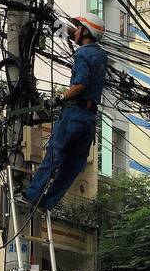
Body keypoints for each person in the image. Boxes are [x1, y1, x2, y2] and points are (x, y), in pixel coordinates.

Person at [21, 15, 106, 214]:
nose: (75, 31)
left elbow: (81, 83)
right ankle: (46, 204)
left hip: (74, 114)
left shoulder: (82, 55)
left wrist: (59, 99)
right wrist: (59, 26)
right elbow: (76, 38)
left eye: (78, 28)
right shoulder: (101, 55)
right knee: (72, 167)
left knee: (54, 155)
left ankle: (30, 197)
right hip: (90, 120)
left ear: (85, 31)